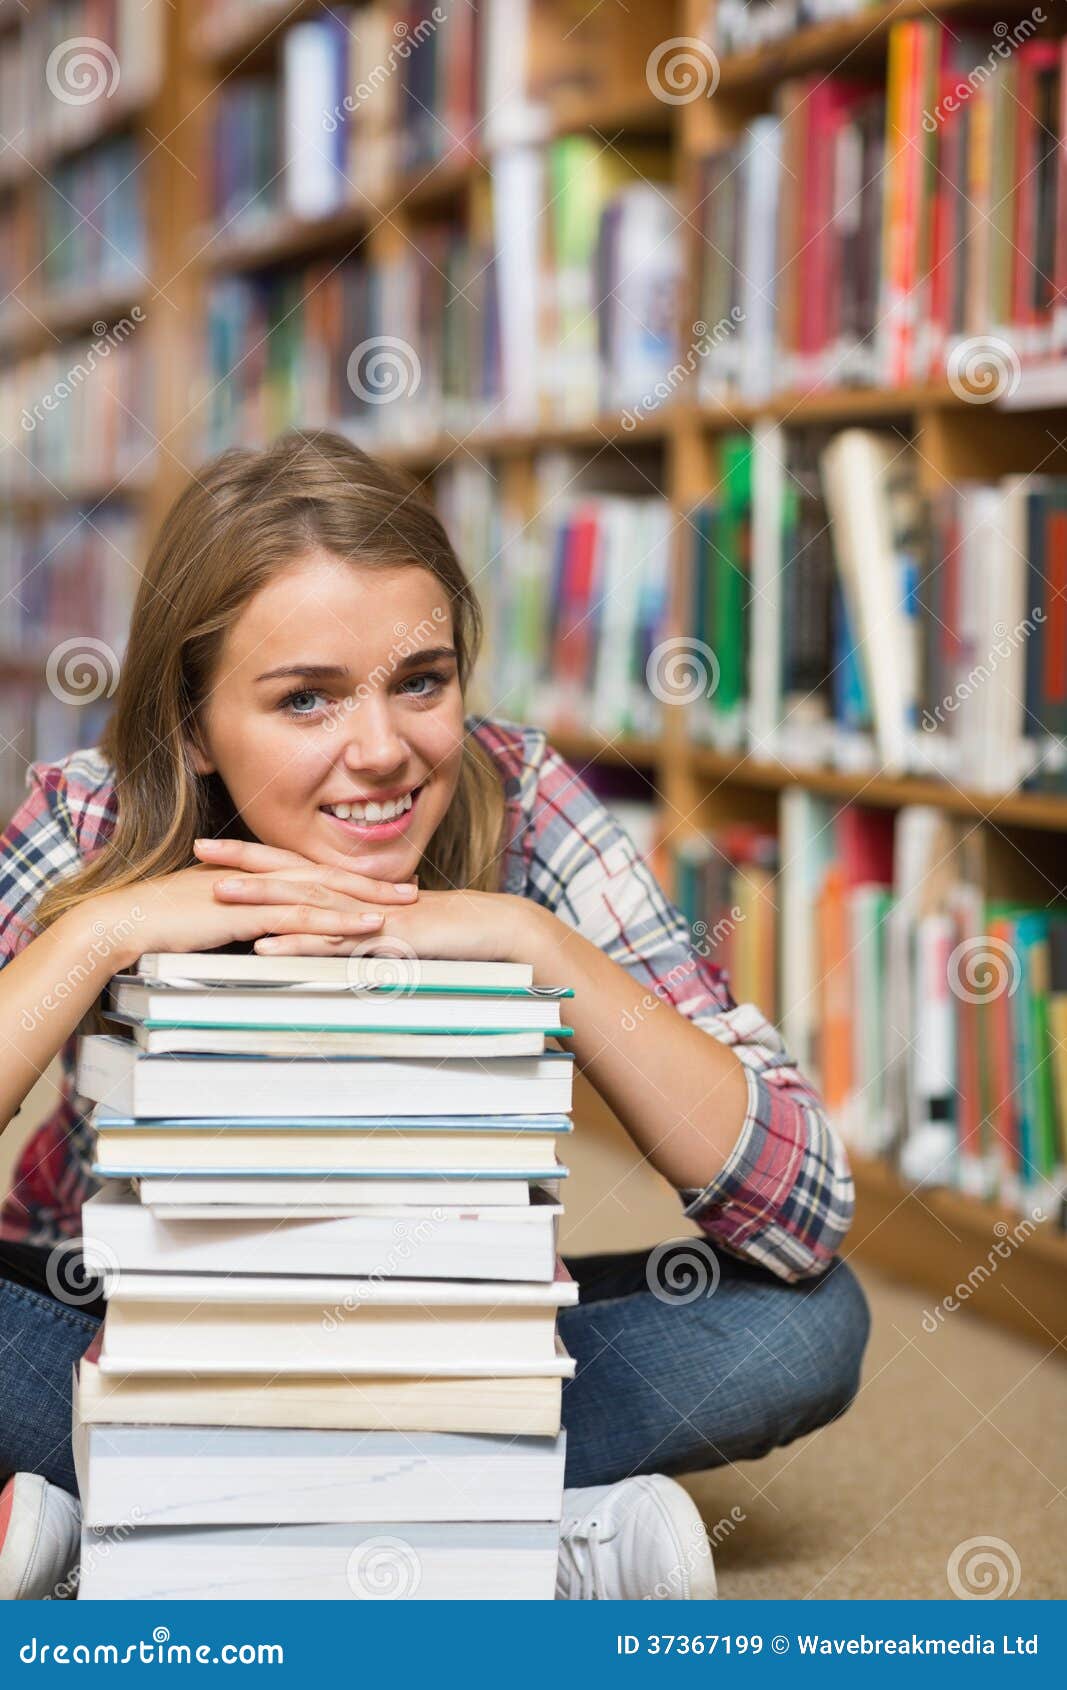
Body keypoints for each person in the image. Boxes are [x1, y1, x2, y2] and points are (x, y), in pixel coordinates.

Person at [0, 431, 869, 1601]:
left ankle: (130, 1516)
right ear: (194, 726)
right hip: (133, 1326)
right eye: (305, 698)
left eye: (420, 681)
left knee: (805, 1327)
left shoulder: (520, 799)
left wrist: (533, 941)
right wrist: (100, 932)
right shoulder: (97, 815)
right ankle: (517, 1526)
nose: (382, 751)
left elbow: (801, 1207)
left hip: (457, 1341)